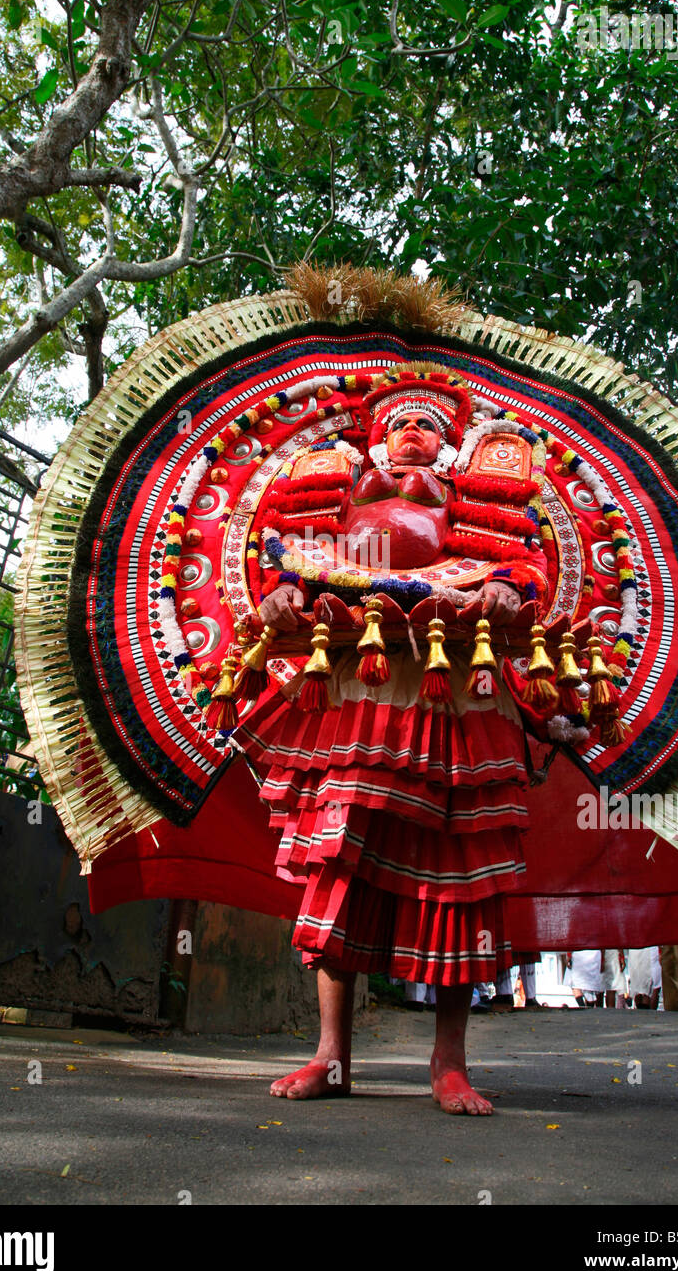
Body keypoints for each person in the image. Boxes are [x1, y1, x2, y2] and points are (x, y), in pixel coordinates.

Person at [233, 367, 550, 1114]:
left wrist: (508, 583)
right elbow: (285, 548)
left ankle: (449, 1063)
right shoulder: (333, 481)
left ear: (448, 444)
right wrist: (282, 585)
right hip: (353, 675)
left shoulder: (482, 497)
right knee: (340, 861)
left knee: (458, 868)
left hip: (454, 681)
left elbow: (525, 563)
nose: (414, 432)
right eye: (402, 422)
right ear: (378, 433)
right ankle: (331, 1056)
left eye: (430, 425)